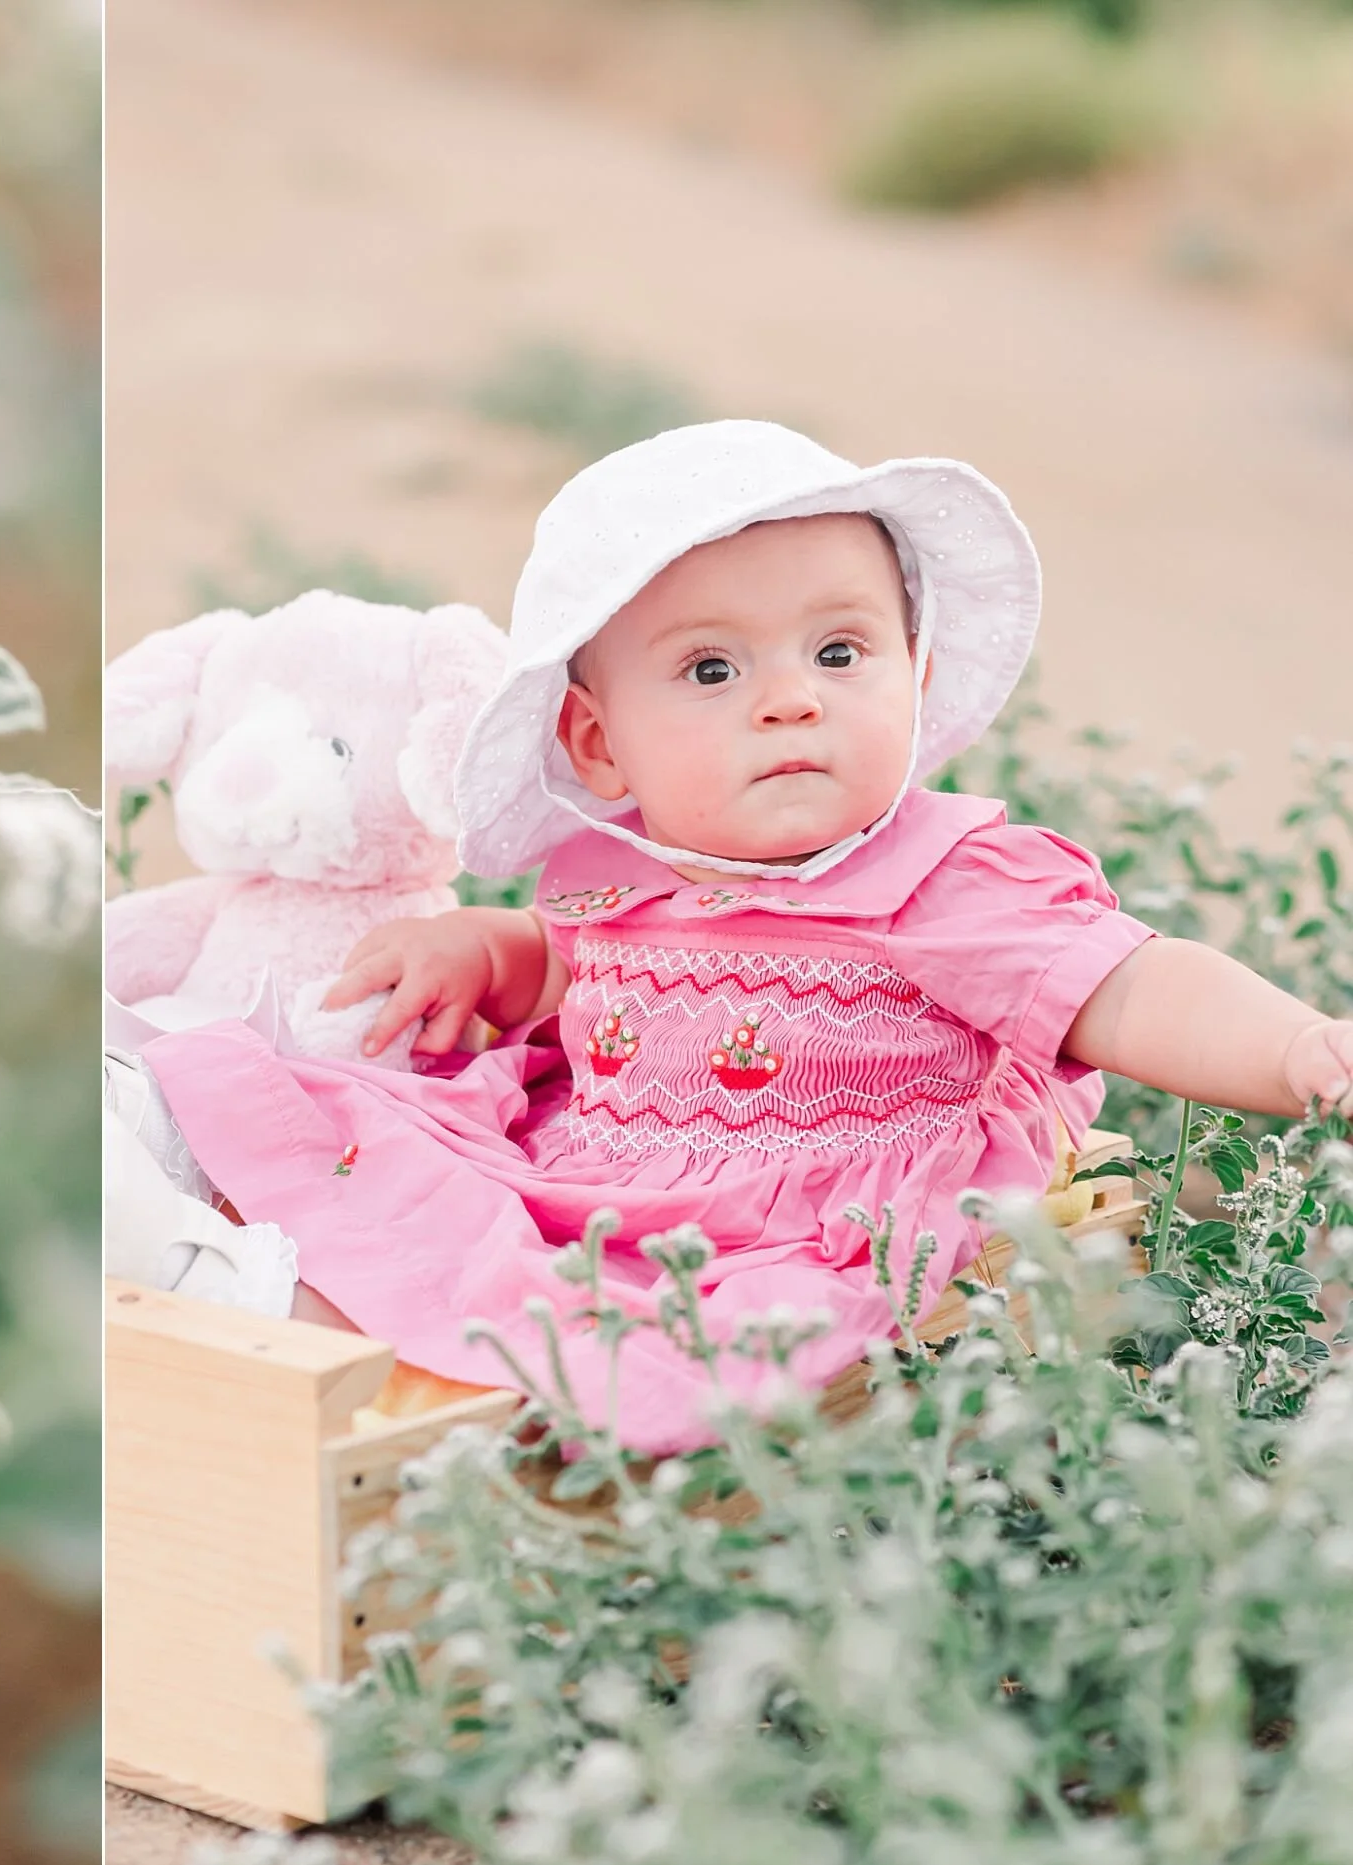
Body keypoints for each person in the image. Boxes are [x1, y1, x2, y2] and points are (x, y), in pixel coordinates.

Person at [133, 420, 1353, 1454]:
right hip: (596, 1172)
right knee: (379, 1170)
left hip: (788, 1218)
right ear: (601, 746)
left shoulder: (942, 880)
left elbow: (1133, 985)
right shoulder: (617, 868)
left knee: (635, 1336)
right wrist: (491, 955)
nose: (790, 696)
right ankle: (224, 1288)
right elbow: (574, 971)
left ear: (911, 677)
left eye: (839, 650)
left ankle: (327, 1361)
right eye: (711, 668)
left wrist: (1298, 1046)